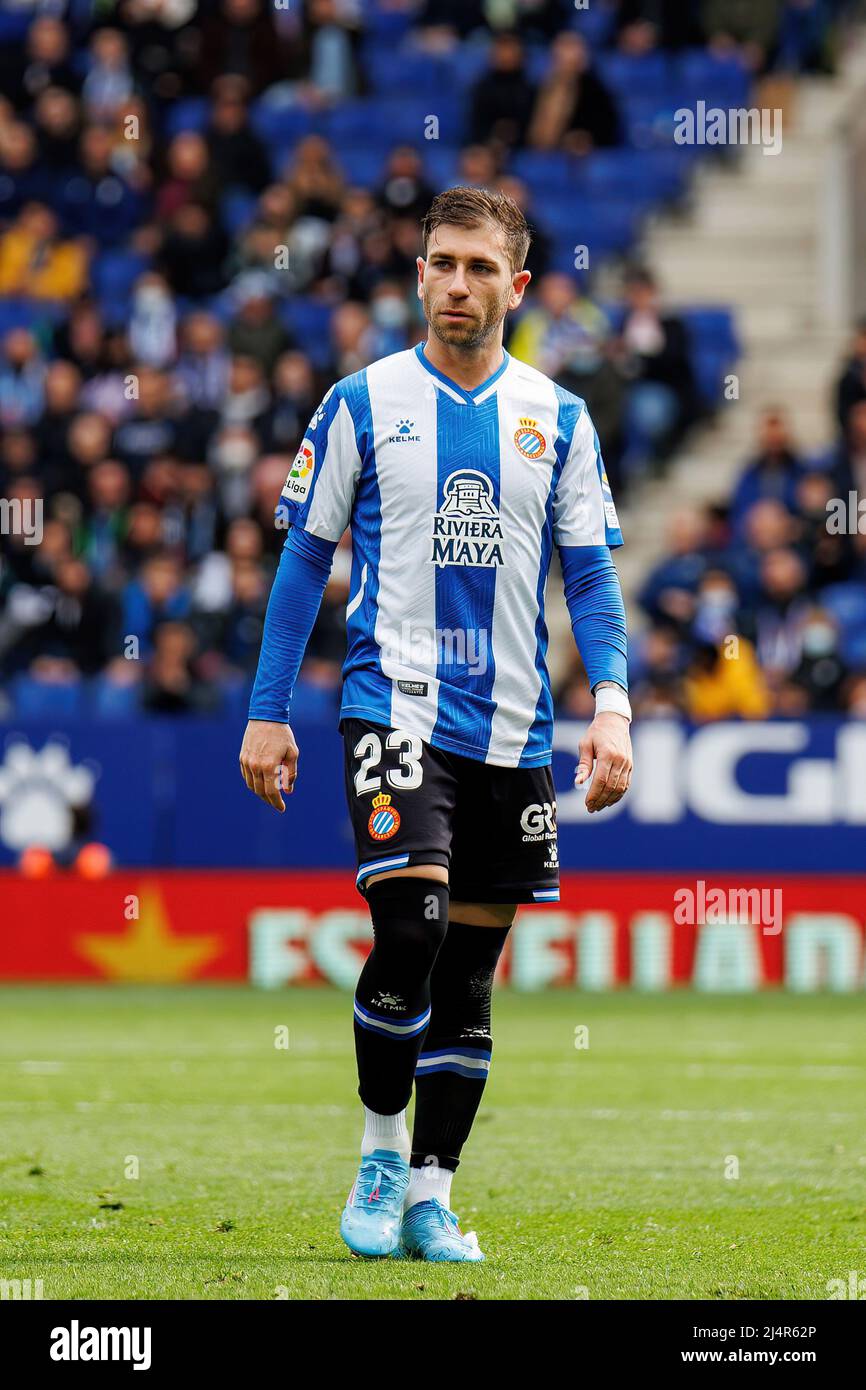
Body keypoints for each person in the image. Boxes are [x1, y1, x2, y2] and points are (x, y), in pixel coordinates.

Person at [239, 187, 632, 1263]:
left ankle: (429, 1193)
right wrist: (267, 711)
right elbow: (303, 561)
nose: (456, 284)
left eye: (477, 266)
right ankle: (377, 1149)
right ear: (418, 274)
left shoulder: (557, 419)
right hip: (391, 707)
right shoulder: (360, 402)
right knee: (407, 932)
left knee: (465, 973)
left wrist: (611, 709)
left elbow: (590, 583)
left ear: (518, 284)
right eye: (439, 263)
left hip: (511, 732)